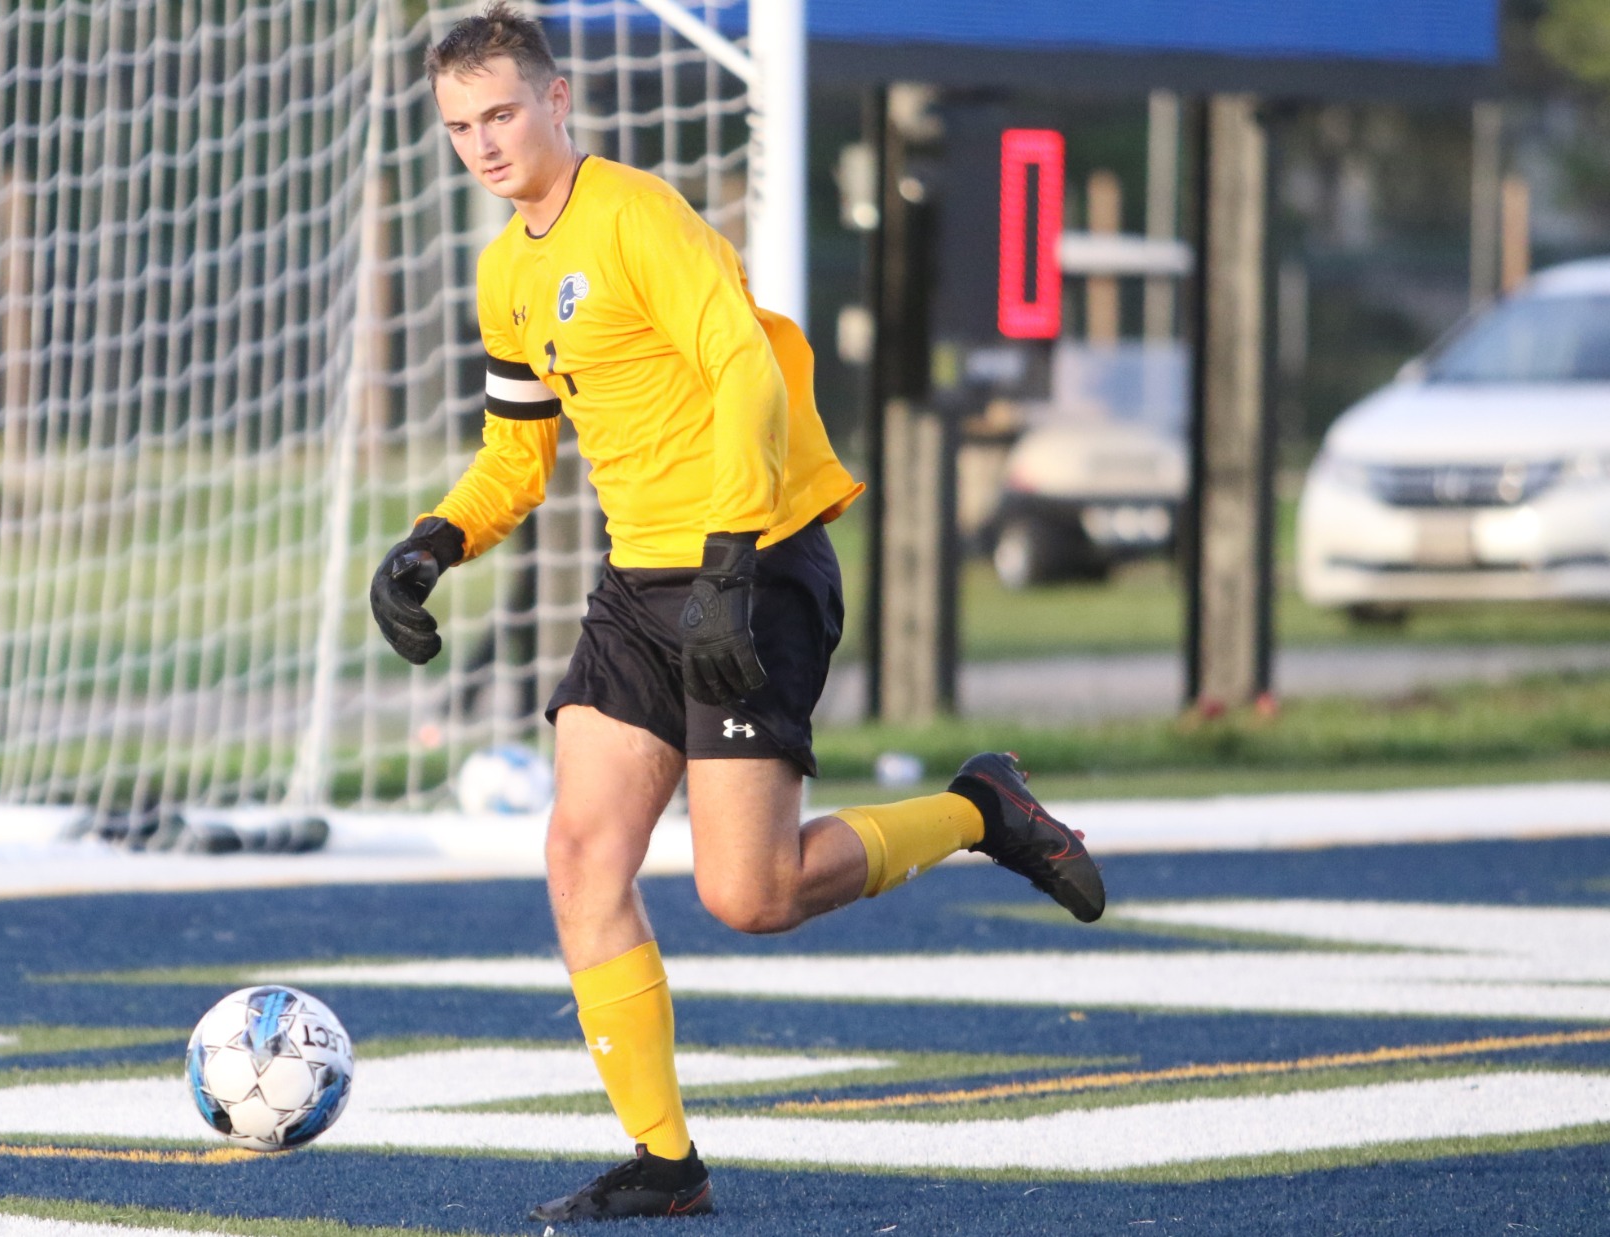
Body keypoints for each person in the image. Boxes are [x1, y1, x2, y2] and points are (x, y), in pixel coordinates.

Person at [369, 4, 1106, 1222]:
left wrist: (726, 562)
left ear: (556, 103)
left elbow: (748, 373)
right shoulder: (505, 270)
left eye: (501, 113)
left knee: (747, 896)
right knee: (578, 854)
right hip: (638, 586)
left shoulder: (640, 216)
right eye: (460, 127)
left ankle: (979, 808)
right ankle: (668, 1167)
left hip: (752, 562)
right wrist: (433, 543)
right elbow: (516, 453)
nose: (484, 144)